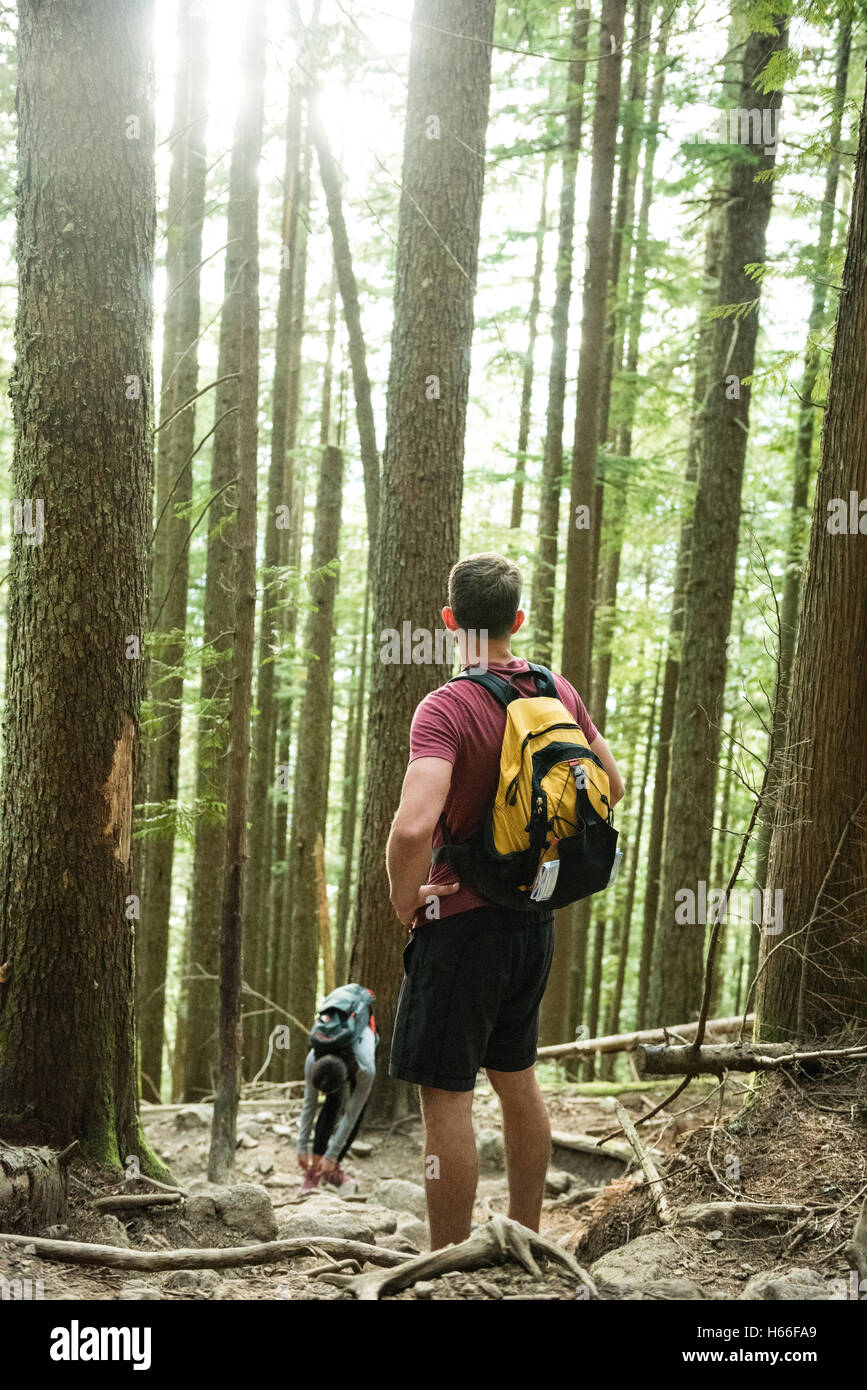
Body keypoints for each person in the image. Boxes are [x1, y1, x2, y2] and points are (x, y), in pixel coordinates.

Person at [387, 553, 624, 1248]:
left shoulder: (447, 706)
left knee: (445, 1096)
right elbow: (611, 784)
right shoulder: (555, 689)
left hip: (460, 925)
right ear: (516, 620)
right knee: (516, 1081)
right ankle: (524, 1236)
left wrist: (406, 897)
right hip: (534, 919)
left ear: (449, 621)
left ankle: (447, 1259)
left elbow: (410, 825)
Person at [295, 984, 378, 1194]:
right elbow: (309, 1105)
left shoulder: (365, 1067)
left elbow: (351, 1114)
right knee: (330, 1104)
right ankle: (314, 1169)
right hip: (338, 1026)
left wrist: (332, 1156)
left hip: (360, 1033)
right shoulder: (312, 1059)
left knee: (354, 1109)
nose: (320, 1093)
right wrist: (301, 1148)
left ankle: (332, 1165)